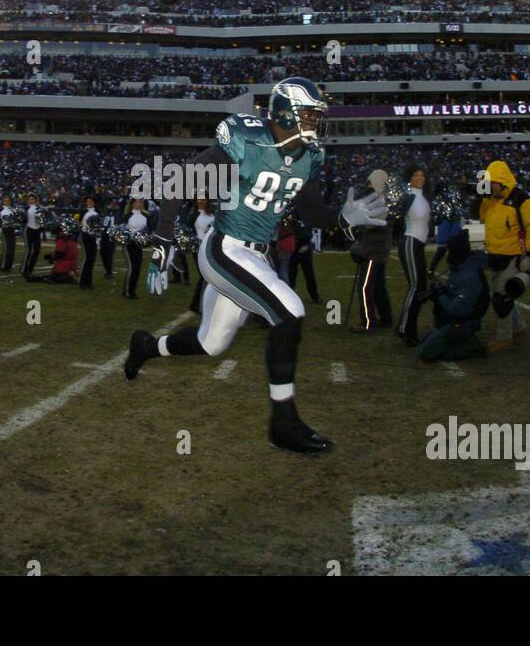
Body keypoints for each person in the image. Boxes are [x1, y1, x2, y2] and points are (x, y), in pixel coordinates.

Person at [122, 77, 387, 454]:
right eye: (309, 116)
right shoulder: (246, 140)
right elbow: (178, 184)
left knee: (211, 343)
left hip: (257, 255)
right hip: (225, 249)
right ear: (285, 112)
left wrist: (343, 217)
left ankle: (148, 346)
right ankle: (283, 422)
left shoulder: (310, 157)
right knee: (290, 311)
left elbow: (312, 213)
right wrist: (163, 243)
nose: (315, 124)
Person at [479, 160, 530, 352]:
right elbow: (482, 217)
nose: (491, 188)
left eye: (493, 184)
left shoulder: (522, 200)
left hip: (512, 255)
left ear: (502, 181)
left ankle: (504, 338)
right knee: (503, 294)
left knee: (501, 297)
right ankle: (519, 328)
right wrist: (484, 198)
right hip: (495, 255)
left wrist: (528, 254)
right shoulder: (492, 201)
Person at [418, 229, 490, 363]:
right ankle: (460, 339)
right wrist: (437, 292)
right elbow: (453, 293)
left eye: (450, 251)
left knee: (427, 352)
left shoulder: (469, 275)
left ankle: (471, 346)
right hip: (455, 318)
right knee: (425, 343)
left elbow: (460, 309)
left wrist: (439, 295)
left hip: (463, 321)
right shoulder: (461, 267)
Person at [349, 168, 392, 334]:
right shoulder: (383, 199)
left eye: (370, 182)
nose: (368, 186)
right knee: (379, 286)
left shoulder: (381, 200)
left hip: (373, 250)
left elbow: (371, 223)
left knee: (365, 287)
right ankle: (386, 318)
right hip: (378, 250)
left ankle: (367, 321)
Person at [396, 164, 431, 346]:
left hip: (420, 244)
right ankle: (405, 329)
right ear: (410, 178)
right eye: (416, 175)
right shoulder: (407, 196)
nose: (420, 178)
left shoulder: (425, 197)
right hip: (410, 241)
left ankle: (409, 327)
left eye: (422, 175)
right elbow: (393, 215)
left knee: (421, 287)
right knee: (415, 286)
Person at [123, 198, 148, 299]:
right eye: (136, 202)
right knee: (132, 268)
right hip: (129, 244)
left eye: (140, 202)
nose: (138, 204)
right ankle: (129, 292)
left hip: (139, 244)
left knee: (137, 268)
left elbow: (147, 230)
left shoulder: (146, 216)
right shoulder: (127, 216)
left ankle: (129, 290)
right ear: (132, 204)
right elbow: (123, 230)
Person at [78, 196, 99, 289]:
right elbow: (79, 223)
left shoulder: (97, 212)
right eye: (87, 201)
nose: (89, 202)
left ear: (94, 202)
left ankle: (89, 282)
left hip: (93, 236)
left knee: (92, 259)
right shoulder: (83, 211)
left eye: (91, 201)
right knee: (87, 258)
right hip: (85, 235)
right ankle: (82, 282)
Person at [22, 193, 42, 277]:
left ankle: (30, 269)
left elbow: (43, 220)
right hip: (29, 230)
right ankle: (24, 269)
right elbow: (22, 220)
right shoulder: (25, 208)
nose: (31, 201)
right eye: (30, 199)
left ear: (36, 200)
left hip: (37, 230)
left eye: (33, 199)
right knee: (28, 250)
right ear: (28, 201)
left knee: (37, 250)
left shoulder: (39, 208)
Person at [0, 195, 18, 271]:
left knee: (12, 249)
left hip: (11, 230)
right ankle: (2, 266)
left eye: (8, 200)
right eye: (5, 200)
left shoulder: (14, 210)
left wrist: (16, 228)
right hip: (5, 230)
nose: (6, 202)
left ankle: (8, 266)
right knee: (6, 249)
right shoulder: (1, 209)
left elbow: (16, 220)